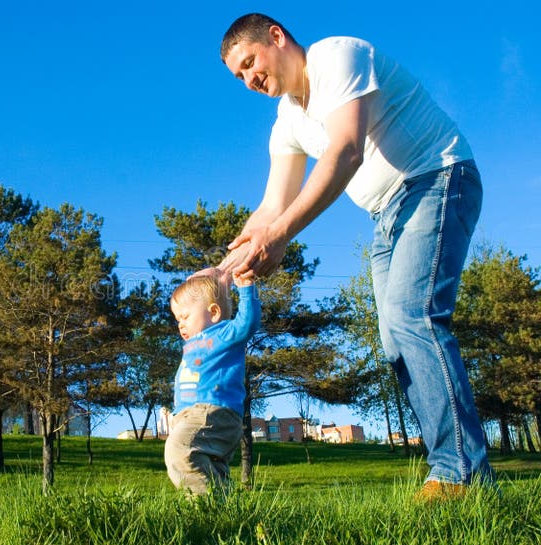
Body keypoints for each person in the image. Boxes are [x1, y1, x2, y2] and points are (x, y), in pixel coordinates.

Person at [210, 13, 493, 500]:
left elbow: (345, 152)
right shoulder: (288, 122)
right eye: (240, 76)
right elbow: (270, 208)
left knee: (413, 318)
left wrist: (280, 236)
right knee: (394, 339)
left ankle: (459, 472)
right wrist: (218, 272)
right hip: (386, 212)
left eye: (250, 63)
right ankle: (451, 468)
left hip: (438, 178)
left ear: (276, 38)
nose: (250, 79)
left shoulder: (336, 57)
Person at [164, 274, 261, 495]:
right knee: (211, 467)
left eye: (186, 316)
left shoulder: (223, 333)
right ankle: (224, 510)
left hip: (212, 411)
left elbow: (248, 322)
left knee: (179, 450)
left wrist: (246, 286)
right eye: (178, 319)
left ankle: (207, 505)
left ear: (214, 312)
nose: (181, 324)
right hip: (192, 414)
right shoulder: (192, 343)